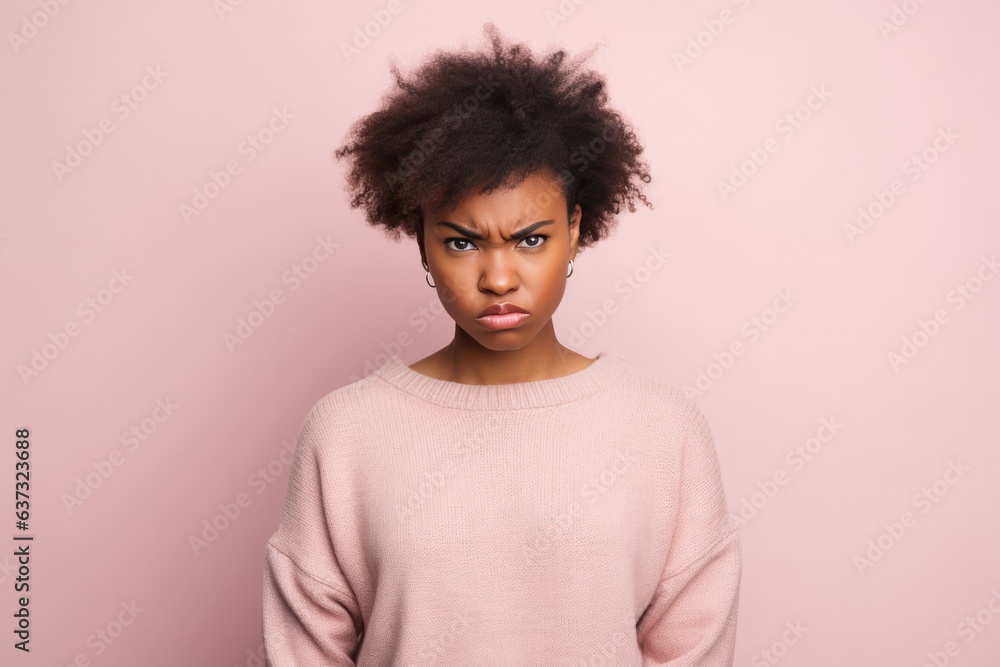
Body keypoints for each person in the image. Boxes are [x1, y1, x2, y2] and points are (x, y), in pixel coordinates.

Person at [261, 22, 741, 666]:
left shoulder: (664, 430)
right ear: (421, 239)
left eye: (530, 239)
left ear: (575, 229)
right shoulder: (346, 432)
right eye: (462, 241)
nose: (498, 278)